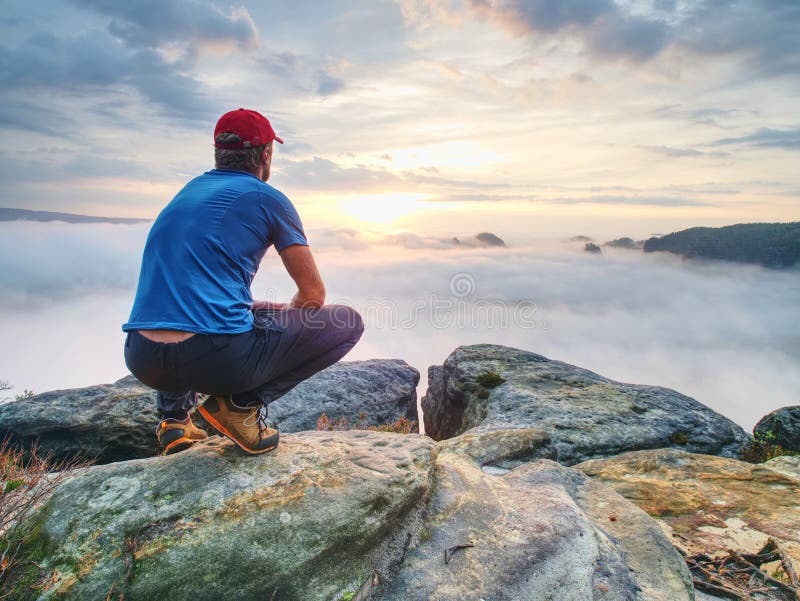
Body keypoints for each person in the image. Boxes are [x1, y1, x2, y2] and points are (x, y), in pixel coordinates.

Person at [122, 108, 364, 456]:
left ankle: (174, 421)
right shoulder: (268, 198)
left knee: (206, 303)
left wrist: (260, 313)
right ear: (266, 155)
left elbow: (185, 289)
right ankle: (239, 407)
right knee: (347, 322)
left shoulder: (187, 192)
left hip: (143, 357)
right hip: (213, 359)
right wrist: (285, 321)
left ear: (218, 153)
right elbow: (313, 295)